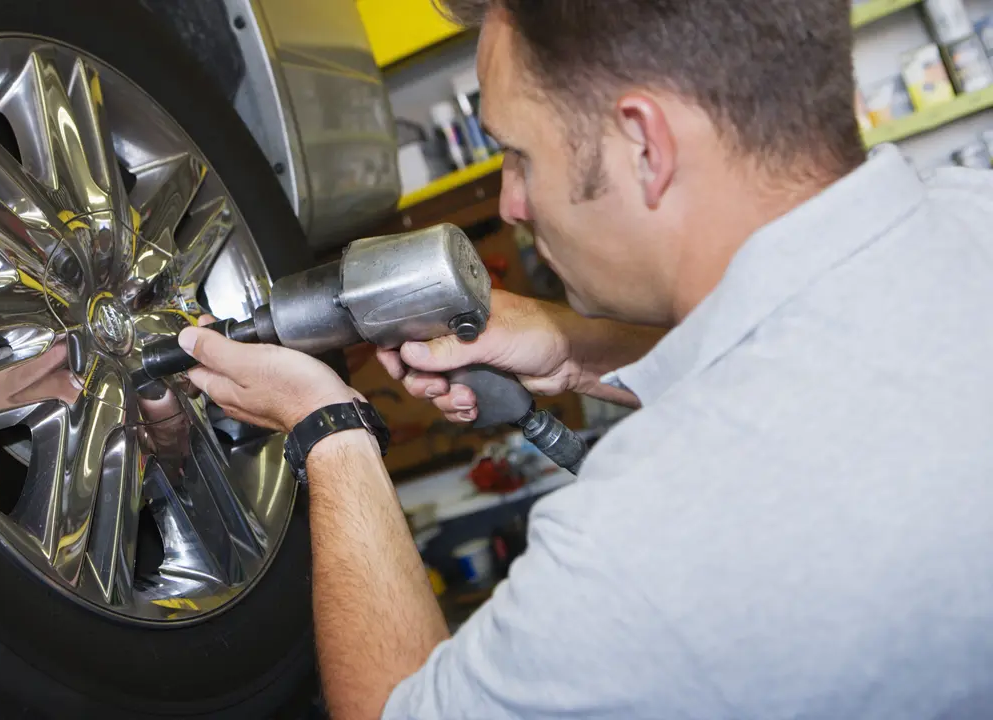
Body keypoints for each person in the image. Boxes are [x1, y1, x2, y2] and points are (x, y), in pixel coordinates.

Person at [177, 0, 993, 717]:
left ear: (645, 143)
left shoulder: (643, 545)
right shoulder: (973, 213)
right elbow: (822, 375)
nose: (509, 203)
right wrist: (581, 351)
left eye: (521, 155)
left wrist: (330, 430)